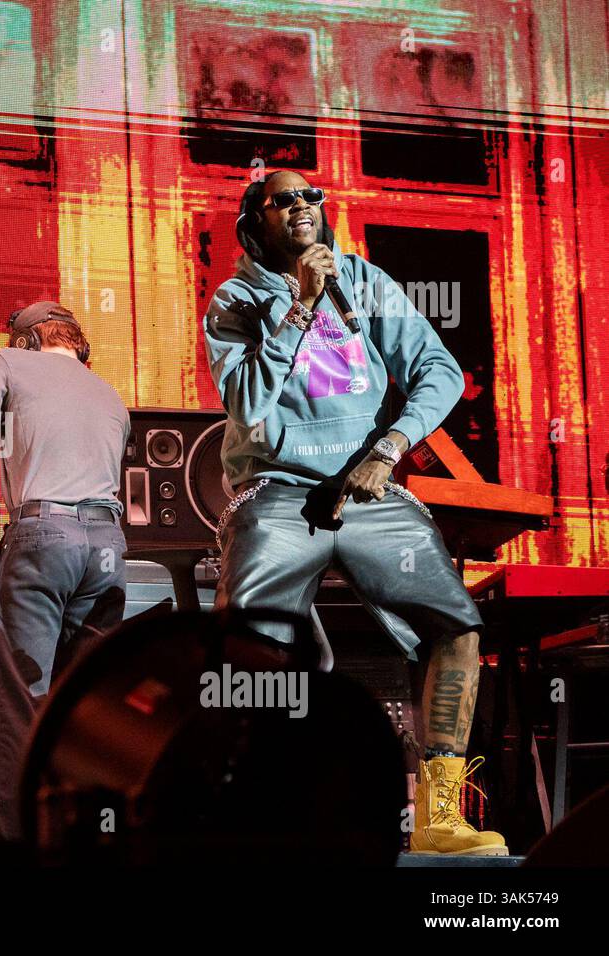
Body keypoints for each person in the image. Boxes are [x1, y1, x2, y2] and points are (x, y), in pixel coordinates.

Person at [203, 171, 506, 855]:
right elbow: (247, 404)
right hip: (277, 492)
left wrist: (391, 447)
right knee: (249, 647)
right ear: (256, 221)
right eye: (284, 199)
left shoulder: (365, 283)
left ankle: (438, 816)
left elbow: (440, 370)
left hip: (368, 490)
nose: (303, 206)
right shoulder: (236, 300)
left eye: (312, 196)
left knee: (456, 627)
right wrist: (301, 308)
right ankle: (258, 812)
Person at [0, 301, 130, 840]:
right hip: (107, 549)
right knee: (85, 717)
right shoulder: (111, 395)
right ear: (78, 343)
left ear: (24, 341)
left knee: (26, 711)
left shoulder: (7, 364)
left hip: (41, 539)